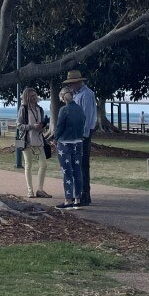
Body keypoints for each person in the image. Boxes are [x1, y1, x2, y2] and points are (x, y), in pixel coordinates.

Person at [62, 70, 97, 205]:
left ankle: (84, 195)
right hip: (74, 134)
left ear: (78, 82)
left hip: (81, 135)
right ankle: (78, 194)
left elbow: (87, 117)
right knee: (75, 165)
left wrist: (82, 135)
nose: (70, 87)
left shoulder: (87, 95)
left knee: (82, 165)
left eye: (72, 84)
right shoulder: (76, 95)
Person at [53, 86, 86, 208]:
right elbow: (84, 122)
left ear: (62, 97)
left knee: (67, 172)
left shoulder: (64, 110)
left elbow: (59, 126)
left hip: (65, 143)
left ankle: (68, 200)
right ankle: (77, 199)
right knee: (77, 171)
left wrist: (56, 139)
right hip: (78, 143)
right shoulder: (80, 109)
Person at [16, 86, 52, 199]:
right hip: (26, 141)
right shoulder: (23, 109)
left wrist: (41, 127)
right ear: (26, 97)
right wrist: (32, 126)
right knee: (28, 165)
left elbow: (41, 125)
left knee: (43, 165)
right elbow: (19, 125)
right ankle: (30, 190)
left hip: (39, 140)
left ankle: (40, 189)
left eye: (35, 96)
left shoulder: (39, 109)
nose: (34, 98)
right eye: (31, 96)